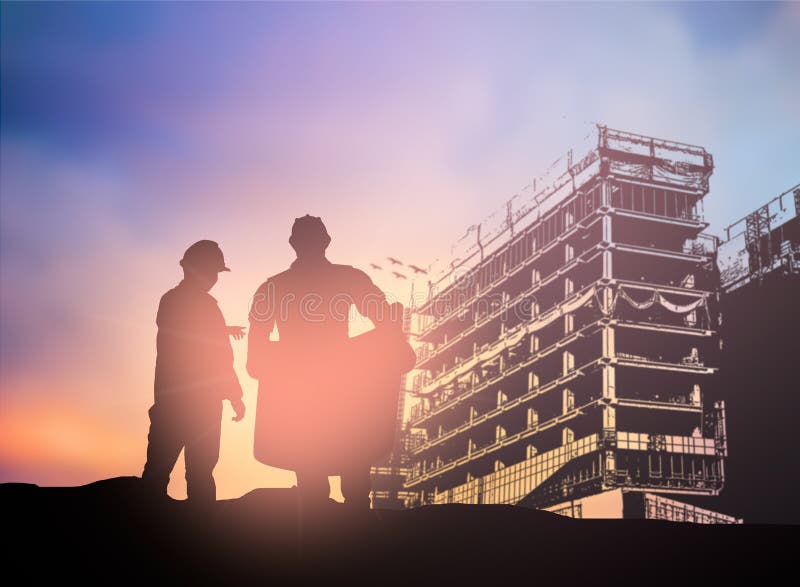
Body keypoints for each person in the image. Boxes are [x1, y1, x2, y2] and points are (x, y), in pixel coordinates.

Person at [247, 215, 414, 512]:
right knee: (349, 474)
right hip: (337, 390)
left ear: (293, 244)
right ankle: (352, 535)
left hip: (306, 394)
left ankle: (325, 536)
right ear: (326, 241)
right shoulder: (347, 278)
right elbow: (384, 320)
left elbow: (256, 360)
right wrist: (394, 347)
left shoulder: (272, 288)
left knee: (318, 480)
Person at [141, 240, 246, 503]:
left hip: (171, 402)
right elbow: (217, 356)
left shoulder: (170, 301)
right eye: (212, 272)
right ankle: (200, 535)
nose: (214, 278)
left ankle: (143, 530)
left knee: (156, 475)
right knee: (199, 476)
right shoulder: (206, 307)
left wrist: (220, 330)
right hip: (201, 407)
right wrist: (235, 395)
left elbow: (185, 338)